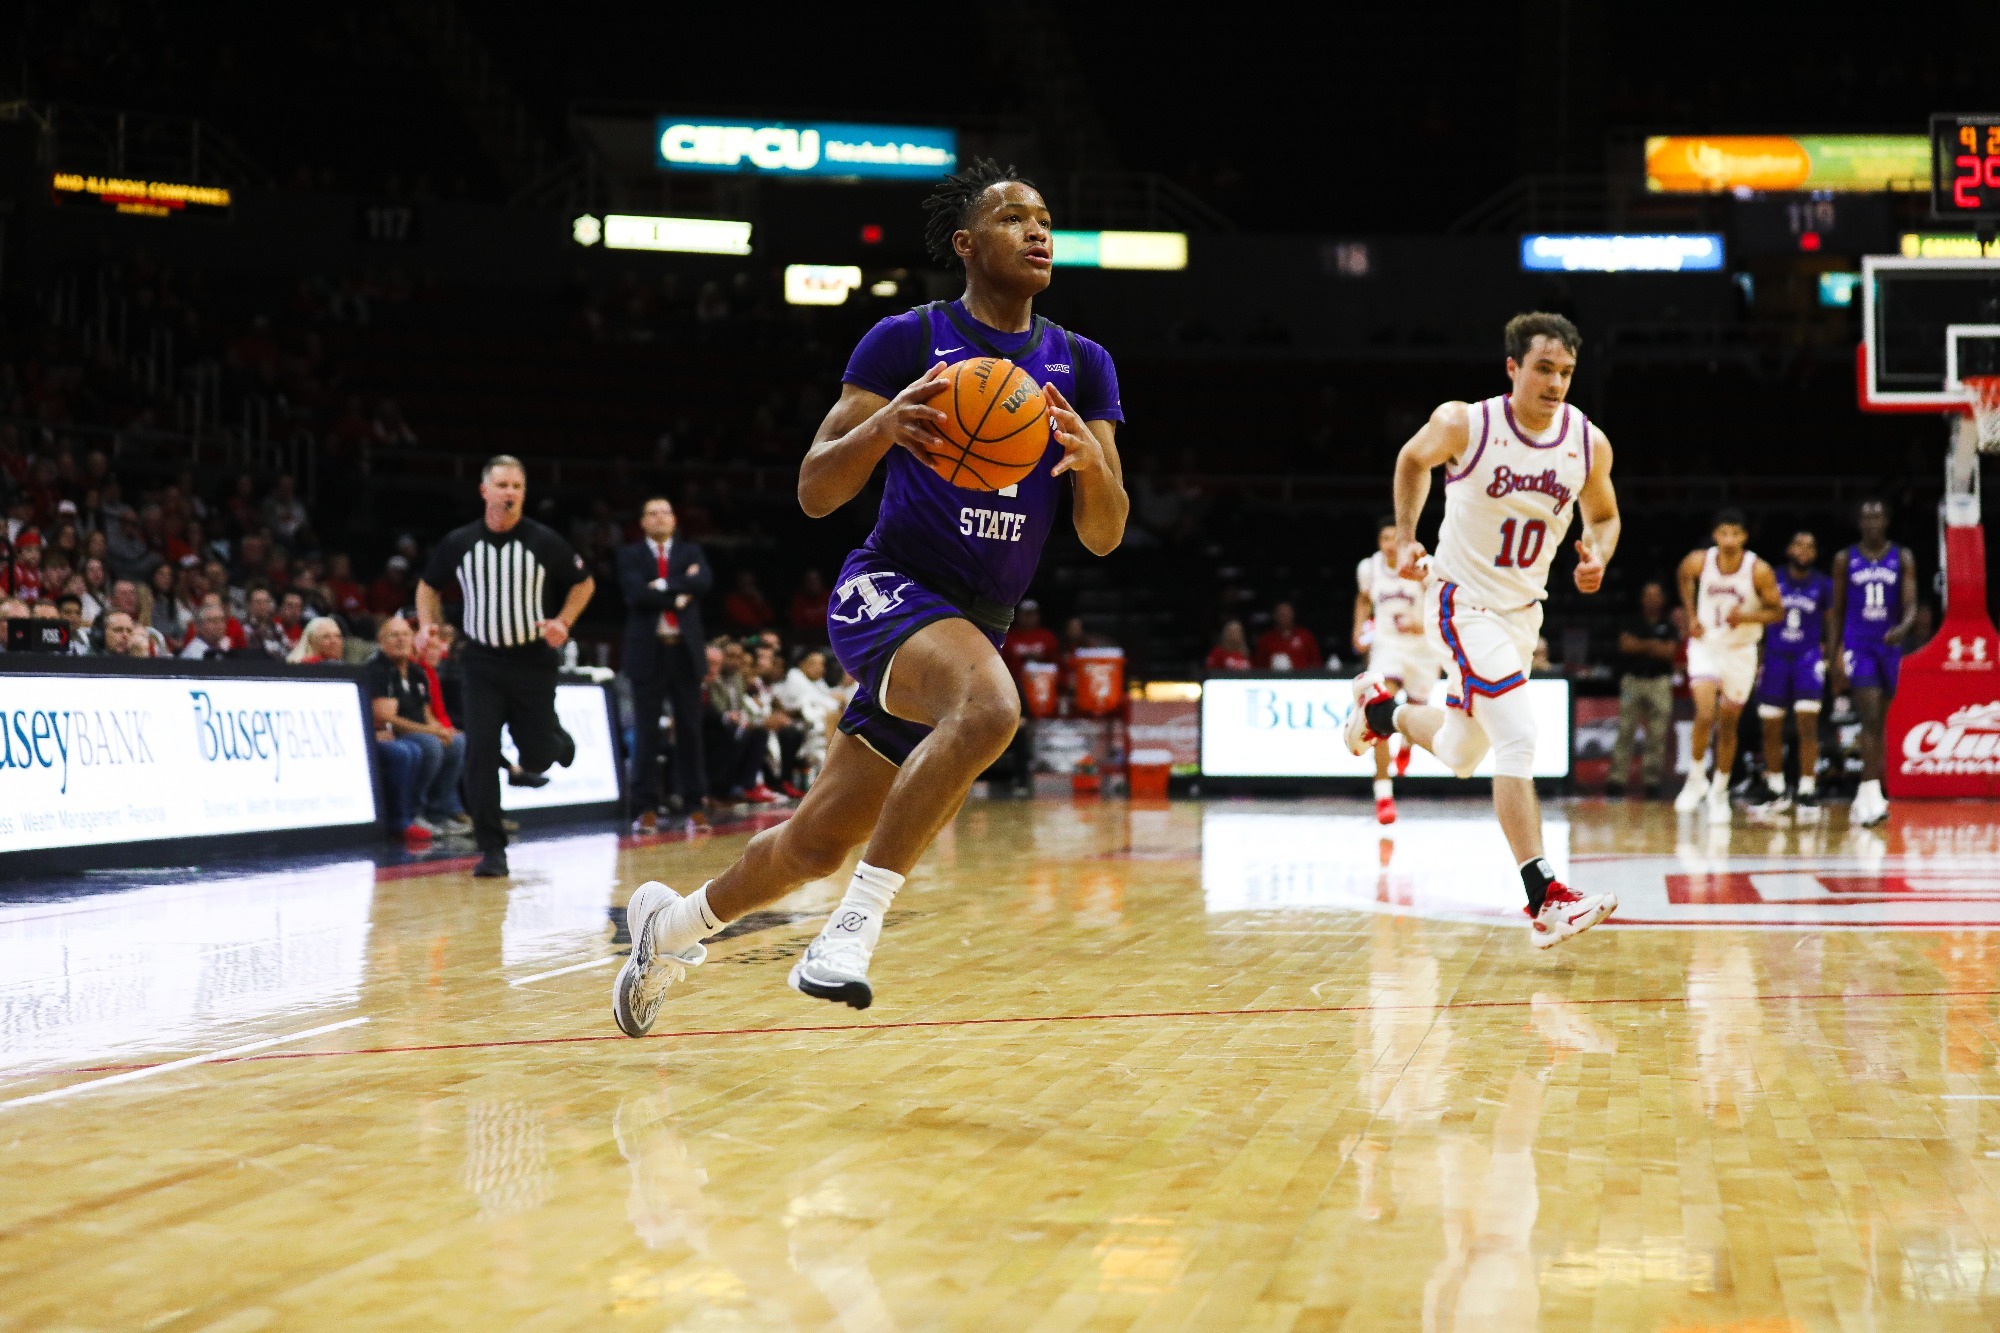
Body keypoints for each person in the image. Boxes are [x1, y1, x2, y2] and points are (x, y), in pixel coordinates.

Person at [614, 157, 1127, 1032]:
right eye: (1013, 217)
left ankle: (668, 927)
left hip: (974, 624)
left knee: (812, 843)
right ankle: (849, 931)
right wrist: (886, 425)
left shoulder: (1083, 364)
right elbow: (815, 489)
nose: (1037, 230)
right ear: (966, 244)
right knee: (992, 709)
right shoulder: (908, 339)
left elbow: (1105, 532)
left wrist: (1091, 463)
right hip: (887, 590)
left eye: (1044, 219)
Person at [1345, 312, 1621, 948]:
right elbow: (1412, 460)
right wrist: (1407, 537)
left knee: (1464, 753)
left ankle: (1379, 713)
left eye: (1567, 372)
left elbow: (1604, 516)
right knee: (1519, 739)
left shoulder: (1587, 443)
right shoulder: (1465, 424)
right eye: (1544, 369)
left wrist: (1599, 554)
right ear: (1513, 368)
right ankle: (1545, 898)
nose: (1556, 383)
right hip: (1461, 603)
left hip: (1522, 614)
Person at [416, 455, 594, 878]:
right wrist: (427, 626)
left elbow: (583, 583)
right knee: (479, 752)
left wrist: (563, 622)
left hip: (533, 661)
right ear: (484, 491)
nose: (510, 492)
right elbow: (427, 585)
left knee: (537, 756)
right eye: (502, 485)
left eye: (516, 486)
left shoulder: (543, 540)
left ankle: (556, 744)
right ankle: (492, 849)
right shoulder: (460, 542)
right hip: (481, 662)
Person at [1672, 510, 1781, 826]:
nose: (1729, 540)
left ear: (1744, 536)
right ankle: (1696, 778)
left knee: (1728, 724)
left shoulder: (1758, 570)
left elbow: (1777, 611)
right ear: (1715, 535)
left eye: (1735, 534)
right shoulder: (1700, 561)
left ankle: (1719, 789)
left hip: (1740, 651)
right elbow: (1683, 574)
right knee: (1705, 714)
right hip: (1706, 645)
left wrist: (1746, 617)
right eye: (1724, 533)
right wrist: (1691, 615)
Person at [618, 495, 712, 833]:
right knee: (646, 732)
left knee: (690, 730)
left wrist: (662, 585)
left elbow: (704, 582)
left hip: (684, 652)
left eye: (665, 512)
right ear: (643, 522)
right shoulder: (630, 554)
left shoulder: (691, 551)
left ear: (674, 519)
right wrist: (680, 593)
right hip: (648, 652)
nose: (659, 517)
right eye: (652, 513)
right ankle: (645, 807)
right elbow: (635, 593)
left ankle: (694, 804)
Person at [1828, 498, 1917, 828]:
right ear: (1859, 523)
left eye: (1877, 517)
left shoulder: (1902, 557)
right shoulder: (1845, 558)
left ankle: (1865, 796)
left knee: (1879, 723)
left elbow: (1910, 604)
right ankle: (1870, 792)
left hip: (1888, 646)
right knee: (1870, 717)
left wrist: (1904, 627)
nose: (1872, 523)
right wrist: (1834, 656)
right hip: (1859, 645)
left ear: (1886, 521)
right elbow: (1837, 611)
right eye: (1866, 518)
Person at [1353, 516, 1441, 824]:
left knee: (1416, 711)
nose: (1390, 544)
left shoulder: (1425, 563)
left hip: (1422, 649)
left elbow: (1443, 605)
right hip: (1387, 646)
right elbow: (1363, 599)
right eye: (1384, 538)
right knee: (1379, 708)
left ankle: (1406, 746)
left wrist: (1421, 625)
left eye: (1395, 537)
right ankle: (1383, 794)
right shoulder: (1369, 568)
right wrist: (1357, 629)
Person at [1751, 531, 1834, 819]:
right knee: (1770, 726)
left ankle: (1807, 789)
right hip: (1775, 657)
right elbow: (1759, 617)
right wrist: (1757, 656)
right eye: (1798, 544)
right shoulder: (1772, 578)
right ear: (1788, 549)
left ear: (1815, 553)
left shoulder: (1823, 584)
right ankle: (1775, 787)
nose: (1803, 550)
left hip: (1807, 658)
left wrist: (1831, 655)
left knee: (1807, 726)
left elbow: (1831, 622)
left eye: (1810, 546)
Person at [366, 615, 471, 836]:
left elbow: (426, 713)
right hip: (390, 734)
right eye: (394, 635)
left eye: (405, 635)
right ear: (381, 641)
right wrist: (431, 731)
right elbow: (386, 718)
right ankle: (415, 811)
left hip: (415, 732)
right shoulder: (378, 670)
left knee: (457, 742)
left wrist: (441, 730)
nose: (401, 640)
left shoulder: (416, 672)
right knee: (430, 745)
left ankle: (439, 812)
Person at [1609, 581, 1679, 798]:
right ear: (1642, 599)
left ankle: (1652, 783)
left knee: (1657, 734)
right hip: (1633, 681)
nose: (1651, 600)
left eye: (1655, 596)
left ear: (1663, 600)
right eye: (1647, 595)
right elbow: (1625, 645)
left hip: (1659, 682)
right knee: (1625, 730)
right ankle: (1616, 781)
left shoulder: (1669, 625)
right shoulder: (1631, 621)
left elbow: (1670, 652)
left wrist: (1641, 645)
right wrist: (1654, 645)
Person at [999, 598, 1059, 683]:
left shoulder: (1047, 636)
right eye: (1025, 614)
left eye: (1032, 614)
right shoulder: (1008, 637)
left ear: (1038, 616)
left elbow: (1055, 662)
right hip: (1014, 682)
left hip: (1042, 682)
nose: (1029, 618)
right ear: (1017, 616)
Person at [1254, 601, 1320, 671]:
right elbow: (1259, 666)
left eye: (1288, 613)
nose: (1285, 617)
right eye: (1282, 614)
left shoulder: (1305, 635)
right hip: (1275, 677)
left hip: (1302, 677)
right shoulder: (1266, 639)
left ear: (1293, 614)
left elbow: (1316, 662)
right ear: (1275, 616)